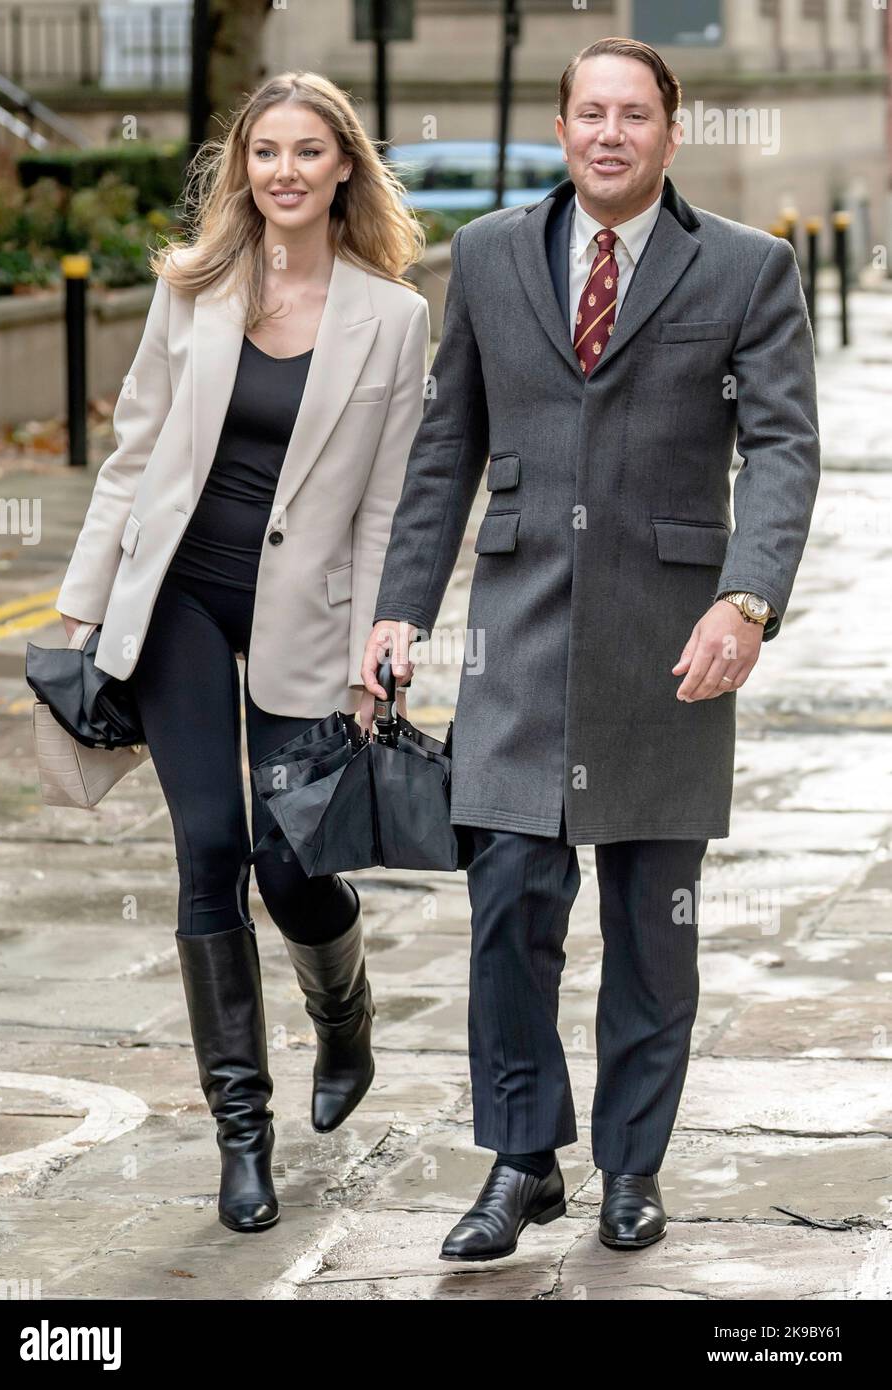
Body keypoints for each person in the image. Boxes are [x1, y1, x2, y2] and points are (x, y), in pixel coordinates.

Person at [362, 37, 819, 1261]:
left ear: (673, 129)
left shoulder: (747, 268)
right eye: (589, 115)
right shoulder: (493, 256)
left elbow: (781, 448)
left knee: (651, 917)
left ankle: (631, 1164)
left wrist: (748, 599)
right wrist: (401, 603)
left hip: (671, 641)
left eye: (634, 115)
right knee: (508, 902)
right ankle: (522, 1158)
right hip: (515, 636)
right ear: (562, 130)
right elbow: (444, 441)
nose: (609, 134)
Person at [55, 71, 430, 1233]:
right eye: (263, 152)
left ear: (342, 169)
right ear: (241, 169)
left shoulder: (395, 318)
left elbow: (390, 503)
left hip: (307, 617)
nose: (282, 171)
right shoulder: (193, 286)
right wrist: (82, 607)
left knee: (290, 862)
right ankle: (242, 1133)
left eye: (306, 152)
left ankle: (344, 1010)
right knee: (209, 848)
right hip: (175, 598)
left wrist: (382, 637)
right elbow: (131, 456)